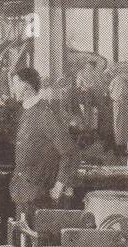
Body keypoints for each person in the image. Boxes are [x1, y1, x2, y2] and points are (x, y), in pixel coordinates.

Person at [9, 67, 78, 232]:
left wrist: (59, 186)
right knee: (23, 244)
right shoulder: (27, 110)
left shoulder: (44, 114)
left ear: (26, 86)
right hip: (23, 192)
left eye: (15, 83)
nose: (13, 88)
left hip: (39, 195)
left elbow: (70, 153)